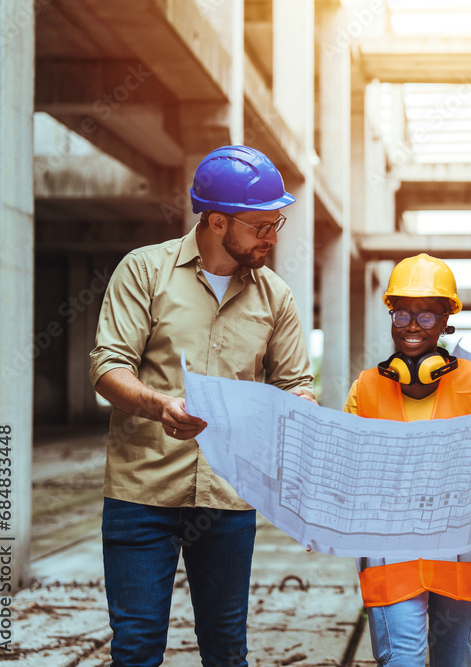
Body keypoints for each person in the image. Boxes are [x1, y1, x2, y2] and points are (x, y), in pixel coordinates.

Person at [90, 145, 318, 667]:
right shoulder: (144, 272)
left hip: (229, 498)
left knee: (226, 649)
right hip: (142, 493)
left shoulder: (276, 297)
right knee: (137, 646)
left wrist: (300, 402)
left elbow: (295, 383)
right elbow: (108, 369)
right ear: (218, 221)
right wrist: (160, 405)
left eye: (276, 223)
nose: (273, 236)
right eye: (262, 225)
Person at [340, 253, 471, 667]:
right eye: (402, 314)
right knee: (404, 660)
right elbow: (343, 464)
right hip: (391, 552)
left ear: (447, 323)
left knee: (453, 658)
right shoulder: (366, 388)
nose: (413, 325)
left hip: (459, 553)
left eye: (427, 316)